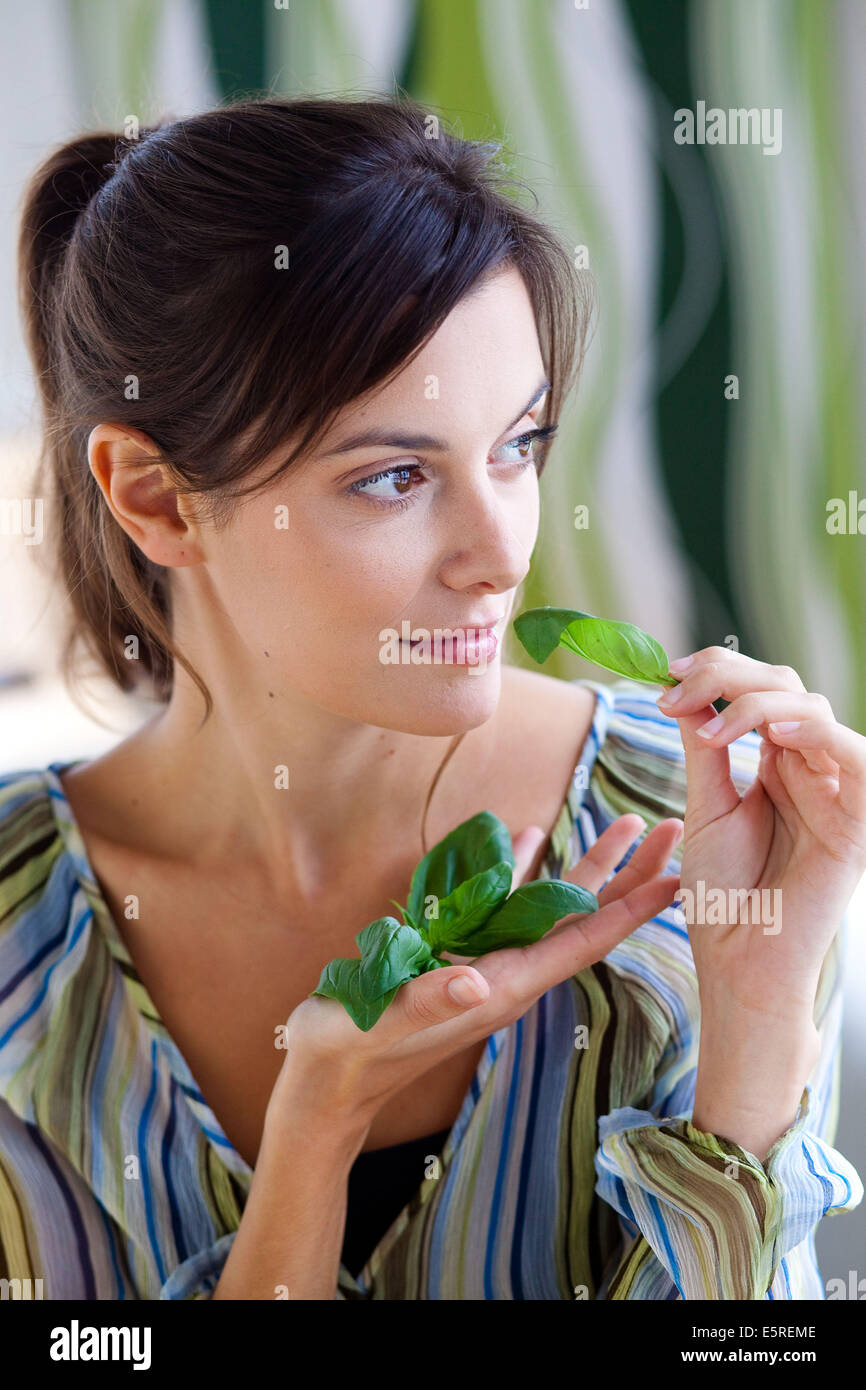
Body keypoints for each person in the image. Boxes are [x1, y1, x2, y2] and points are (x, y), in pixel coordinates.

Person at [0, 94, 862, 1302]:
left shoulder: (700, 825)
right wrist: (313, 1138)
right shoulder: (16, 926)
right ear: (154, 497)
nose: (502, 553)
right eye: (396, 474)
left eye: (516, 445)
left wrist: (760, 1019)